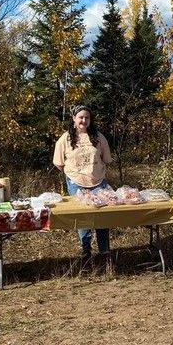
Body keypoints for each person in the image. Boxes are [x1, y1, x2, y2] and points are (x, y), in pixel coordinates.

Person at [52, 104, 114, 259]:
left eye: (87, 117)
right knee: (83, 217)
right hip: (76, 183)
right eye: (81, 117)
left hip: (98, 182)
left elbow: (106, 159)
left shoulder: (99, 137)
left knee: (102, 216)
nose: (84, 120)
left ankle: (104, 251)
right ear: (74, 119)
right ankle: (86, 251)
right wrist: (74, 174)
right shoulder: (64, 139)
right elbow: (59, 163)